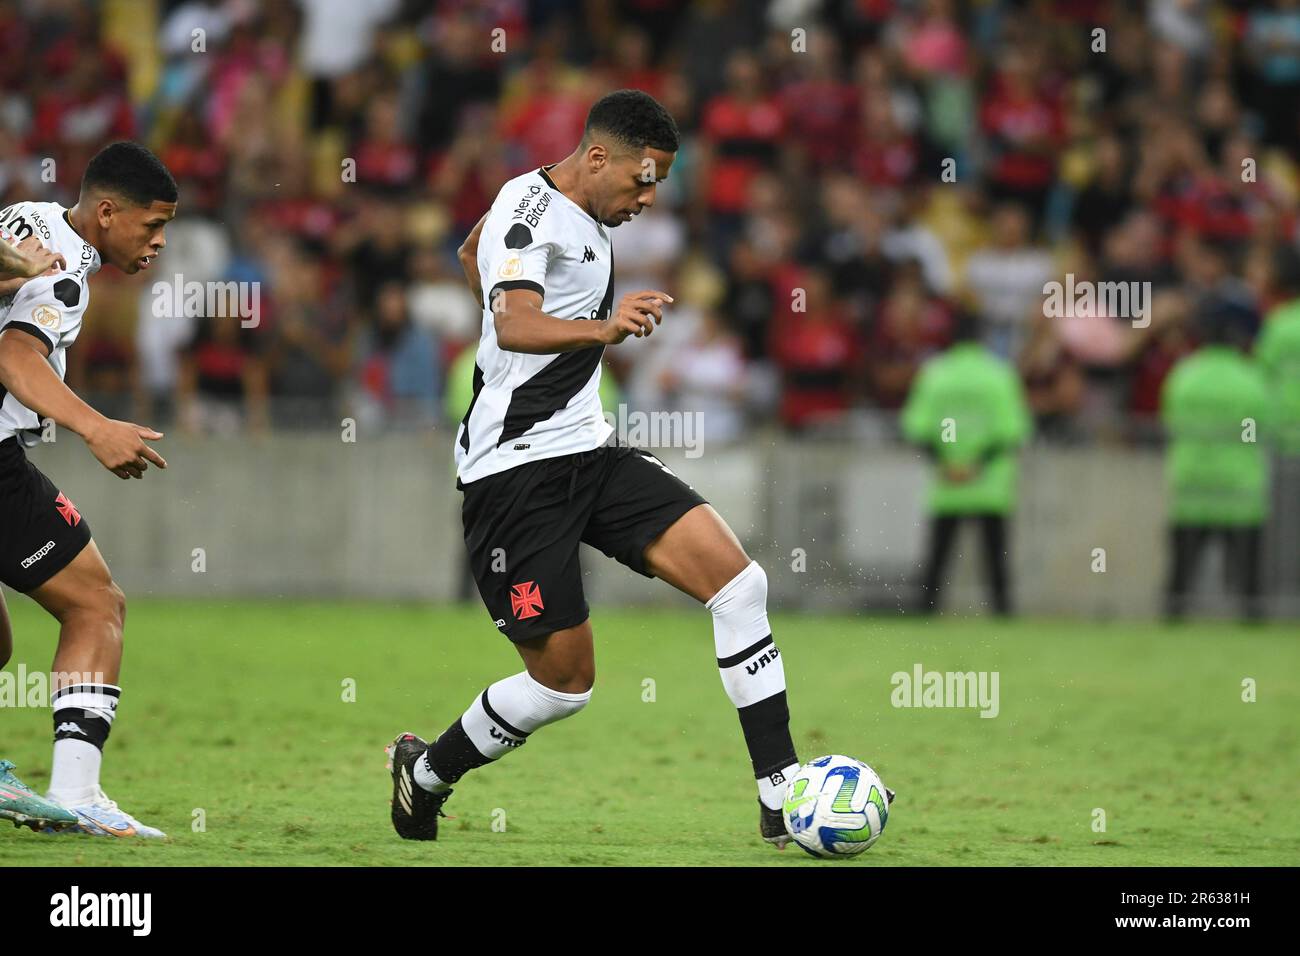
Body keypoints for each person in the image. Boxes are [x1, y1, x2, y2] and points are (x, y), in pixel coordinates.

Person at [386, 90, 886, 848]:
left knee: (739, 584)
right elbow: (514, 320)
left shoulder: (569, 212)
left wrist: (526, 339)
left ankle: (779, 794)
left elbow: (471, 255)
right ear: (596, 158)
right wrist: (602, 327)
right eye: (642, 179)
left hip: (588, 448)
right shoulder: (533, 209)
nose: (650, 198)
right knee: (565, 685)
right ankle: (424, 774)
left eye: (659, 184)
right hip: (513, 474)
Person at [0, 141, 176, 837]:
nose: (158, 242)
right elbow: (16, 359)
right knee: (95, 602)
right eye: (151, 225)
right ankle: (78, 794)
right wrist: (94, 426)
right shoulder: (65, 274)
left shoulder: (25, 219)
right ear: (106, 212)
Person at [901, 310, 1032, 615]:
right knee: (995, 561)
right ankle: (1002, 618)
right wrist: (977, 465)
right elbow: (1012, 432)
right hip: (990, 484)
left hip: (946, 482)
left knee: (937, 561)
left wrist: (948, 464)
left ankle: (924, 617)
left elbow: (916, 428)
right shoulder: (1000, 375)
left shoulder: (935, 373)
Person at [1161, 305, 1272, 621]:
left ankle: (1172, 626)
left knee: (1181, 579)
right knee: (1248, 583)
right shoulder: (1252, 379)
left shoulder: (1184, 375)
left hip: (1192, 486)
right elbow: (1266, 426)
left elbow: (1171, 419)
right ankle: (1253, 630)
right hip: (1240, 489)